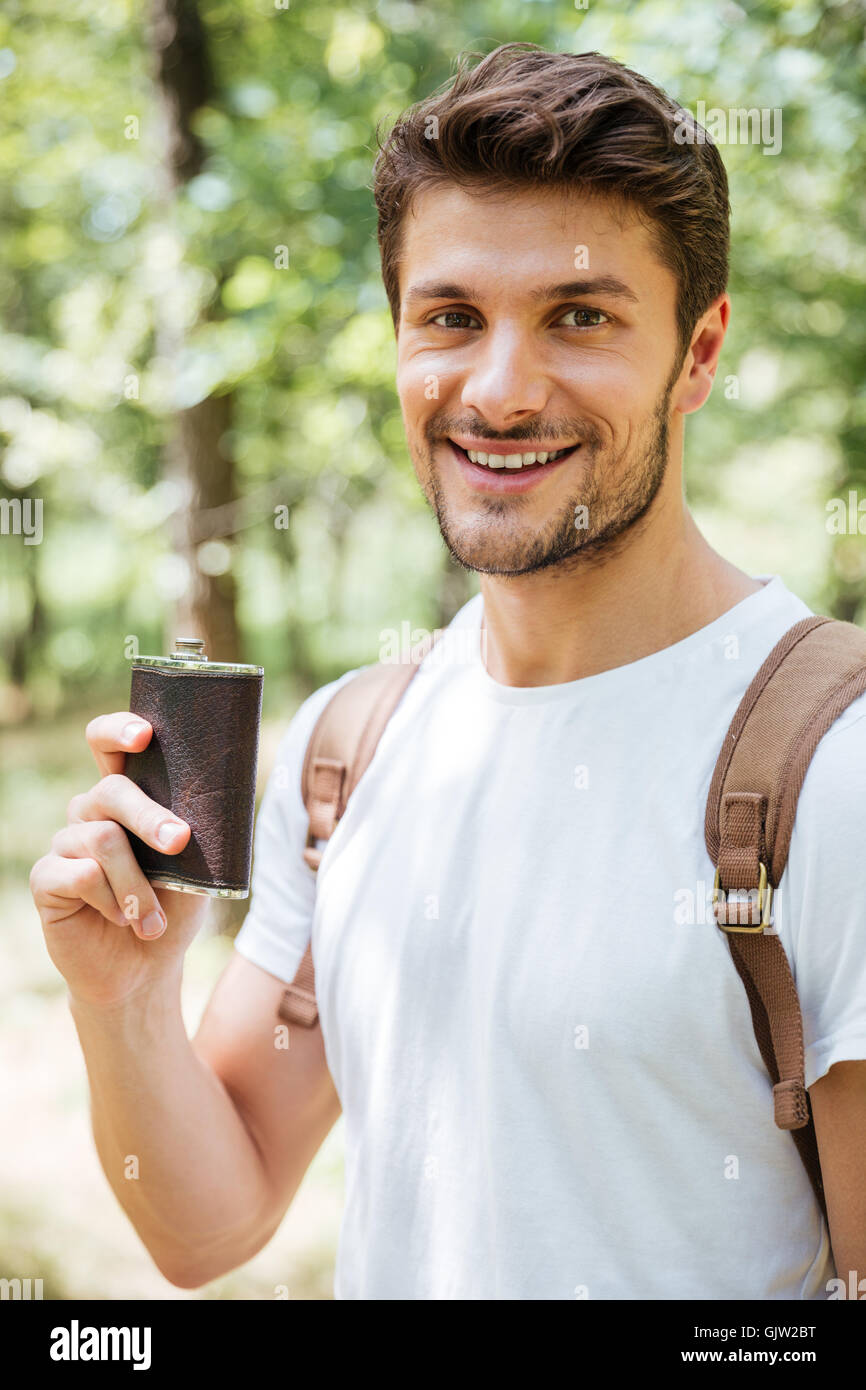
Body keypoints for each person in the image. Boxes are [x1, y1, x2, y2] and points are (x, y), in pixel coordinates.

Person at [29, 43, 866, 1300]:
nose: (499, 388)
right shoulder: (345, 747)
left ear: (697, 354)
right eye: (451, 318)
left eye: (578, 317)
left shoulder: (832, 769)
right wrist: (128, 998)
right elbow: (206, 1227)